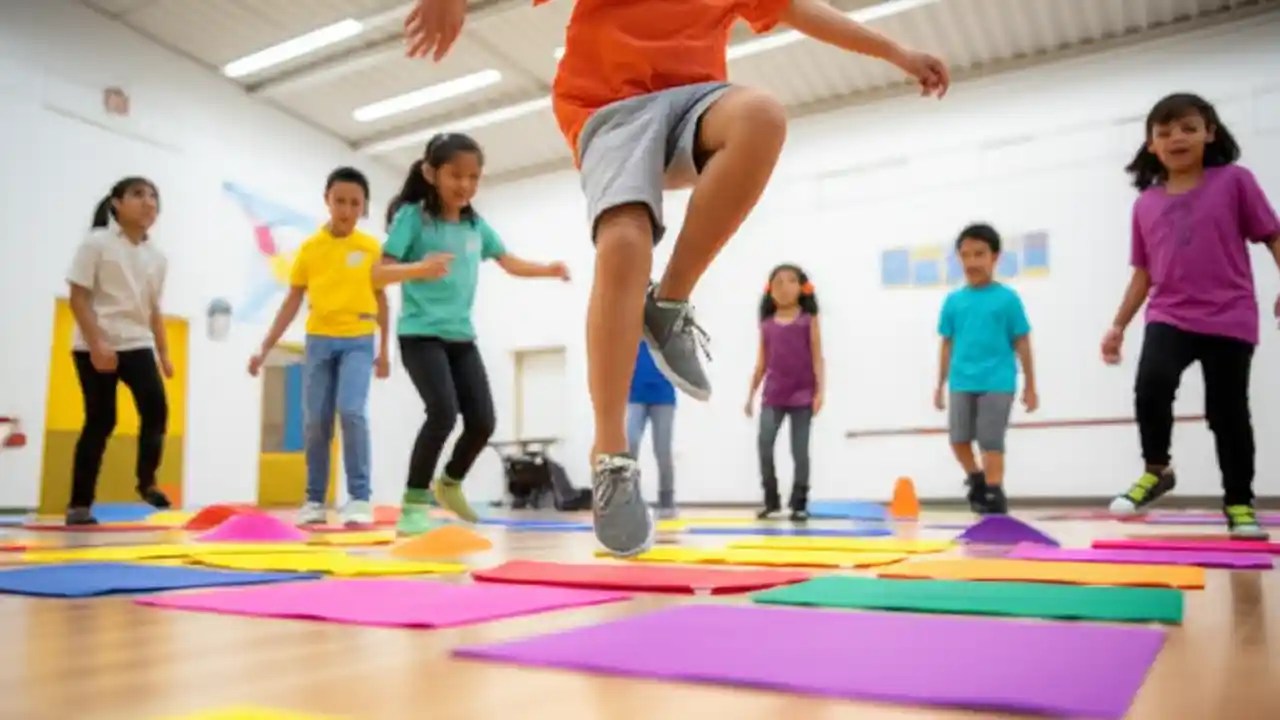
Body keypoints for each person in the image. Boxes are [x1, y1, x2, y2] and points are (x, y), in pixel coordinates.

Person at [402, 0, 950, 557]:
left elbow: (804, 12)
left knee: (761, 114)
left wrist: (897, 51)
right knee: (623, 242)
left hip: (694, 105)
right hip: (608, 110)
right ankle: (612, 456)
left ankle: (669, 302)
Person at [1101, 92, 1279, 539]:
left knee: (1228, 412)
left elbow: (1272, 235)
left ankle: (1239, 502)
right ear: (1150, 146)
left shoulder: (1235, 181)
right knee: (1151, 384)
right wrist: (1118, 325)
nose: (1177, 137)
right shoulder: (1145, 204)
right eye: (1164, 132)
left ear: (1209, 133)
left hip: (1230, 315)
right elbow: (1144, 274)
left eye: (1188, 128)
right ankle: (1157, 469)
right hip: (1170, 313)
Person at [375, 132, 570, 536]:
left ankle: (449, 483)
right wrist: (418, 268)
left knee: (483, 421)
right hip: (420, 335)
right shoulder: (414, 217)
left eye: (474, 177)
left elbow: (508, 261)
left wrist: (547, 269)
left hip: (461, 338)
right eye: (455, 175)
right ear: (431, 173)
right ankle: (414, 503)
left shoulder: (475, 225)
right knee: (443, 413)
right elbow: (377, 272)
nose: (465, 185)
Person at [249, 167, 389, 527]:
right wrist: (266, 346)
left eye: (355, 203)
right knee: (316, 421)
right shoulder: (310, 249)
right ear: (327, 200)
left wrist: (384, 349)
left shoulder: (371, 248)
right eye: (339, 201)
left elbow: (382, 300)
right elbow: (292, 301)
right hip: (319, 341)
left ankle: (359, 497)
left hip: (359, 339)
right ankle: (314, 500)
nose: (346, 209)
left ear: (364, 207)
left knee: (352, 411)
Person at [64, 177, 173, 525]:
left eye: (153, 196)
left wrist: (165, 354)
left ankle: (147, 483)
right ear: (116, 203)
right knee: (101, 419)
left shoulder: (157, 257)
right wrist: (96, 343)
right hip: (95, 342)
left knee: (156, 408)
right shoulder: (96, 244)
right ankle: (79, 504)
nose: (148, 202)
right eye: (138, 194)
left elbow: (154, 310)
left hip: (136, 342)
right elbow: (78, 299)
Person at [934, 224, 1038, 515]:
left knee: (991, 440)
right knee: (958, 439)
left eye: (979, 254)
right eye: (965, 256)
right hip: (961, 380)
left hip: (997, 379)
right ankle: (976, 478)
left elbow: (1022, 341)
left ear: (995, 257)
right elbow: (946, 345)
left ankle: (994, 491)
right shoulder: (953, 301)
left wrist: (1030, 385)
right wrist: (939, 384)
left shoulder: (1007, 299)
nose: (972, 262)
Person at [745, 264, 823, 521]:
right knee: (764, 444)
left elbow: (817, 357)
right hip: (773, 395)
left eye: (791, 281)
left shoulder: (807, 320)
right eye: (778, 282)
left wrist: (820, 391)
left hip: (802, 395)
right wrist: (750, 395)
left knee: (800, 451)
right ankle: (771, 500)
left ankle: (799, 502)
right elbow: (761, 362)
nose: (785, 287)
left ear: (802, 288)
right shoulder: (767, 325)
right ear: (770, 290)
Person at [626, 341, 678, 519]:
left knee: (663, 450)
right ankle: (629, 498)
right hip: (635, 394)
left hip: (663, 395)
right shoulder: (631, 327)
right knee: (630, 442)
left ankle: (667, 500)